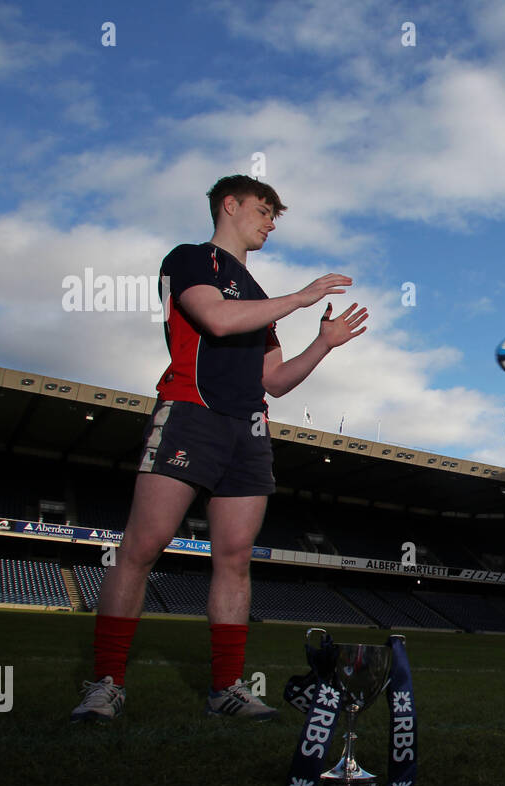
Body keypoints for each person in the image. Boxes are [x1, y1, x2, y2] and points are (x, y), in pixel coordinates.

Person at [71, 174, 369, 722]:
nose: (271, 223)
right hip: (190, 413)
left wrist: (322, 344)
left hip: (248, 428)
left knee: (234, 558)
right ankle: (106, 683)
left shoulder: (261, 298)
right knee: (143, 545)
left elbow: (275, 380)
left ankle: (225, 689)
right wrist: (301, 298)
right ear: (229, 205)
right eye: (264, 210)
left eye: (275, 215)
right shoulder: (190, 259)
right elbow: (214, 317)